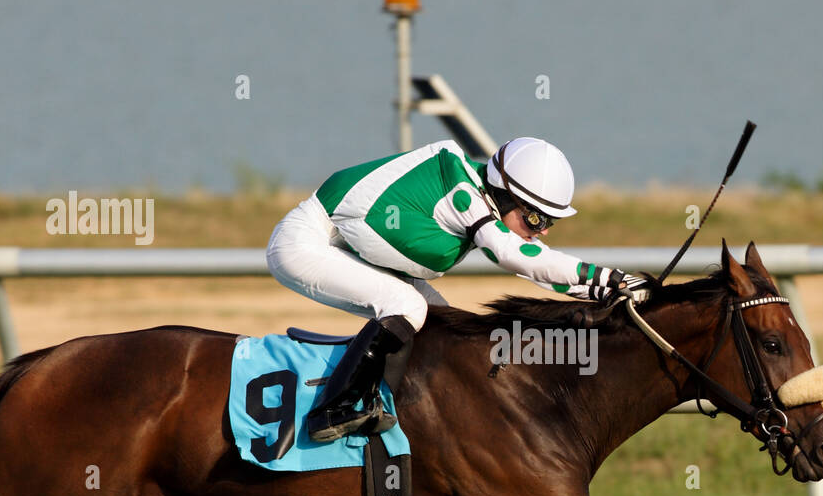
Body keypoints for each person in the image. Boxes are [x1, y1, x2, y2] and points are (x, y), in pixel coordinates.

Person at [266, 136, 648, 443]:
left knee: (445, 326)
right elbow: (516, 256)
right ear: (504, 194)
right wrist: (610, 277)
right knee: (406, 305)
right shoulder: (462, 191)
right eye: (537, 217)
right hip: (308, 242)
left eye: (550, 221)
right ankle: (332, 412)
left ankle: (420, 422)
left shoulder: (480, 194)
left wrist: (606, 292)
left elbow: (539, 265)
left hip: (348, 246)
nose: (543, 229)